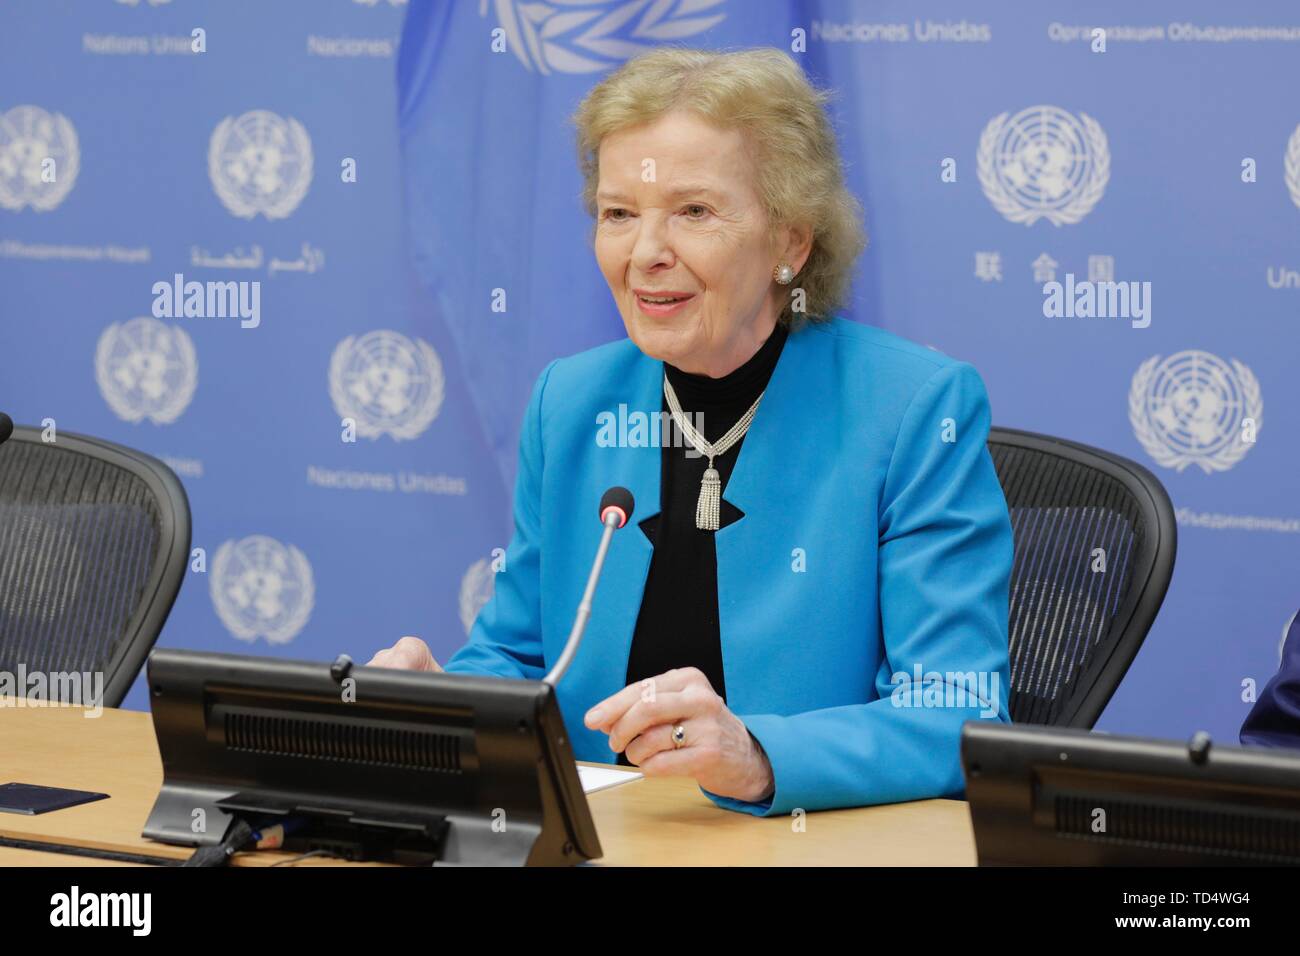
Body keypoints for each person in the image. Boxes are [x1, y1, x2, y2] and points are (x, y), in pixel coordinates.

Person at [368, 47, 1013, 816]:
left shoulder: (913, 408)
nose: (645, 255)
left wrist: (758, 755)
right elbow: (518, 654)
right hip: (598, 839)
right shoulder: (572, 401)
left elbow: (956, 713)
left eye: (694, 212)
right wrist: (442, 704)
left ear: (789, 242)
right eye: (619, 214)